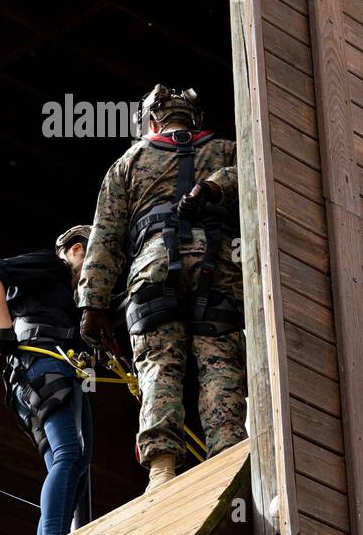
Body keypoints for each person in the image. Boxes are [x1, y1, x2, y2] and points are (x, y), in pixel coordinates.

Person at [77, 85, 247, 492]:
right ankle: (227, 457)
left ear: (151, 121)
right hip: (217, 267)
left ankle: (162, 468)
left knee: (159, 364)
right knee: (219, 362)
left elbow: (105, 239)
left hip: (153, 271)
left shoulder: (128, 162)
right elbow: (263, 173)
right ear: (194, 119)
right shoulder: (229, 151)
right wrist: (214, 186)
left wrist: (93, 304)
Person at [0, 225, 94, 535]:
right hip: (42, 365)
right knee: (69, 453)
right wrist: (4, 331)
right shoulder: (53, 266)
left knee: (77, 462)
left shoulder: (75, 300)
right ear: (77, 250)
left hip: (60, 374)